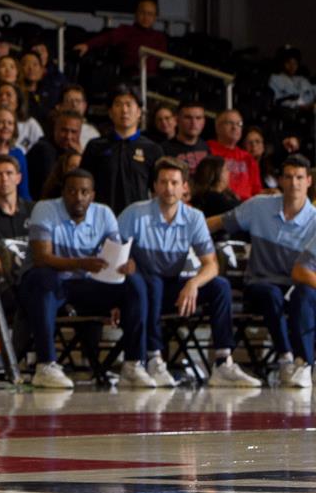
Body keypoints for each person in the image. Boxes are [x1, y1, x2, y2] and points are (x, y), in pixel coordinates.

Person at [122, 159, 257, 388]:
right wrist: (127, 264)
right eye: (163, 182)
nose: (168, 188)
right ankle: (154, 359)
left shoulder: (193, 217)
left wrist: (194, 283)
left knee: (220, 286)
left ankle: (223, 361)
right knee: (153, 280)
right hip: (141, 291)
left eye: (174, 182)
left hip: (174, 288)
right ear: (154, 186)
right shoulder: (135, 213)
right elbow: (114, 252)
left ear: (185, 187)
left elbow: (211, 264)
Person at [20, 170, 148, 390]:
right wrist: (80, 263)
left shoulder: (104, 213)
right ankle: (45, 365)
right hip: (50, 283)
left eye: (84, 192)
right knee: (43, 277)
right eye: (72, 191)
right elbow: (42, 258)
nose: (78, 197)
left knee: (135, 283)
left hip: (86, 284)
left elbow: (116, 253)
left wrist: (126, 265)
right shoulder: (45, 209)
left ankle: (133, 363)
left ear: (93, 195)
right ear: (63, 193)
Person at [208, 157, 316, 388]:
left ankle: (303, 364)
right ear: (280, 180)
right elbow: (218, 223)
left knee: (304, 295)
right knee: (270, 293)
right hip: (259, 285)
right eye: (288, 177)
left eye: (299, 178)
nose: (294, 183)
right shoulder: (259, 206)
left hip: (296, 287)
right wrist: (187, 223)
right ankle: (286, 358)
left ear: (309, 181)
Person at [82, 87, 163, 211]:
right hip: (102, 220)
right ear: (110, 112)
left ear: (139, 112)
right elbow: (85, 186)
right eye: (118, 104)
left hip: (139, 219)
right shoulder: (95, 146)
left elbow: (157, 191)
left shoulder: (152, 149)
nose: (124, 110)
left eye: (129, 104)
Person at [75, 0, 167, 73]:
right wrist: (87, 45)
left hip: (153, 79)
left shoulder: (159, 37)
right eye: (143, 12)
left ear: (155, 17)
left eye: (150, 14)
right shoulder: (126, 30)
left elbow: (162, 60)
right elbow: (107, 38)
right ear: (136, 14)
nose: (146, 17)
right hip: (131, 76)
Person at [208, 107, 262, 200]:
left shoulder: (247, 157)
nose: (235, 127)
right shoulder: (207, 149)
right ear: (218, 127)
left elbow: (256, 190)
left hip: (246, 207)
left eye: (239, 124)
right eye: (229, 123)